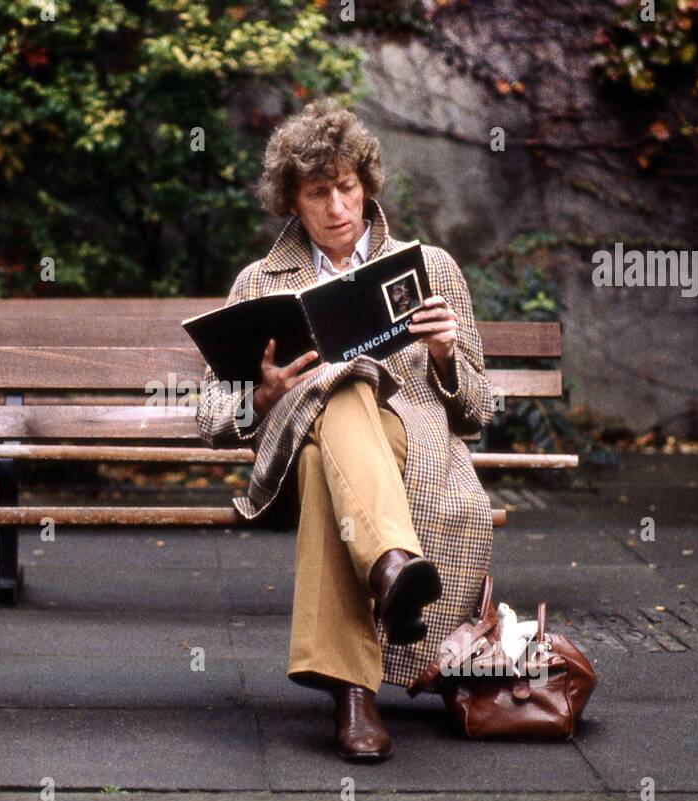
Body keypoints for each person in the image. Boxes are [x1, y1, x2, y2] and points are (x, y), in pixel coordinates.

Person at [196, 98, 496, 762]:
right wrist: (260, 393)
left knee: (344, 394)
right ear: (292, 203)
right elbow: (210, 417)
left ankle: (353, 695)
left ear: (365, 185)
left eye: (346, 187)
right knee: (339, 386)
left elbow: (477, 411)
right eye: (317, 192)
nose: (336, 206)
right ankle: (392, 564)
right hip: (300, 455)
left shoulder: (431, 268)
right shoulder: (259, 283)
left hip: (408, 448)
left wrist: (447, 354)